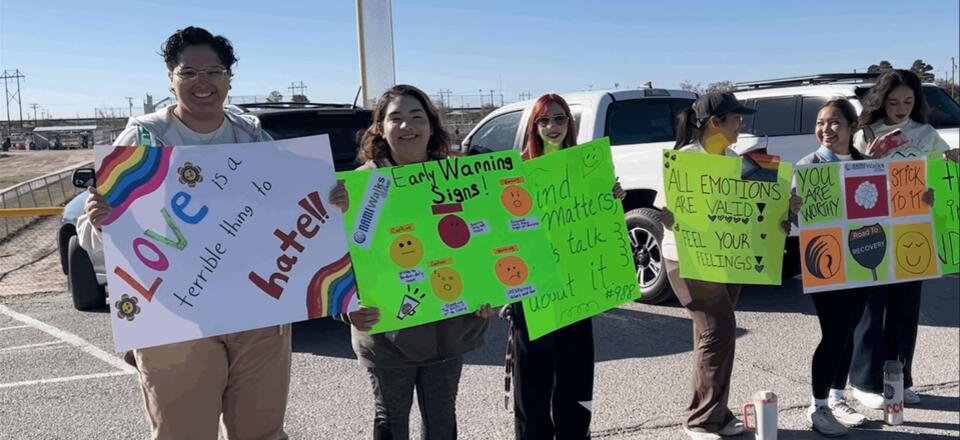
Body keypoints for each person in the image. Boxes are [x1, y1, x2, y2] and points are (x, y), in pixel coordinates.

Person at [77, 26, 290, 440]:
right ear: (169, 78)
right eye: (188, 72)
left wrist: (329, 199)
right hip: (171, 316)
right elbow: (93, 233)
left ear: (229, 78)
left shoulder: (253, 136)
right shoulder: (143, 139)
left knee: (262, 433)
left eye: (213, 72)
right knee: (183, 433)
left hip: (257, 309)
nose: (202, 83)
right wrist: (98, 218)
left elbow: (290, 202)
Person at [329, 84, 494, 440]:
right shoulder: (358, 189)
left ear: (431, 125)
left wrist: (488, 291)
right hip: (387, 336)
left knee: (441, 421)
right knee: (390, 421)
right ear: (380, 129)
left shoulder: (458, 177)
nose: (407, 126)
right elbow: (332, 265)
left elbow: (482, 242)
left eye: (416, 117)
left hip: (449, 330)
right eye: (396, 118)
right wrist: (346, 309)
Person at [501, 93, 624, 440]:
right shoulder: (518, 170)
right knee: (533, 386)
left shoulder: (585, 165)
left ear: (570, 123)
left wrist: (611, 196)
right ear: (534, 126)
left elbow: (597, 222)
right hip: (534, 294)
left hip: (577, 289)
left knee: (575, 379)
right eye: (544, 120)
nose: (552, 127)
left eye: (559, 119)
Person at [653, 92, 764, 440]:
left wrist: (780, 210)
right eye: (736, 118)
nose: (741, 124)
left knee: (711, 336)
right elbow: (662, 211)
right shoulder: (685, 160)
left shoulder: (735, 160)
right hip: (687, 259)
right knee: (719, 330)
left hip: (727, 258)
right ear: (715, 122)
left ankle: (715, 411)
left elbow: (754, 209)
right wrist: (667, 217)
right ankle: (700, 420)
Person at [847, 69, 960, 410]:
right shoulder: (865, 135)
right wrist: (870, 160)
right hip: (873, 230)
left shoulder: (926, 134)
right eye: (893, 101)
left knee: (906, 309)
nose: (900, 107)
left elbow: (943, 179)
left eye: (908, 101)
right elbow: (848, 182)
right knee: (872, 306)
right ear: (881, 101)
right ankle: (864, 381)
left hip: (915, 230)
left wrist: (948, 171)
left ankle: (901, 376)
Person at [790, 99, 876, 436]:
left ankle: (839, 397)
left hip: (862, 255)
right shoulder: (807, 166)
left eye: (835, 122)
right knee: (835, 331)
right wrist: (792, 208)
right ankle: (818, 406)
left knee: (852, 326)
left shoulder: (867, 164)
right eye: (821, 122)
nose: (826, 129)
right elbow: (789, 218)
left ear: (853, 127)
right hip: (823, 261)